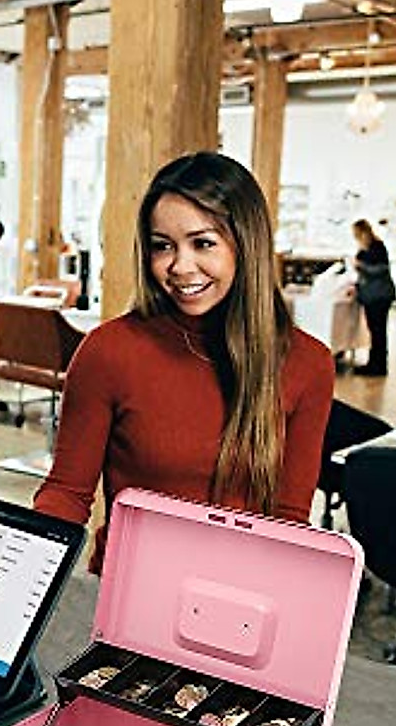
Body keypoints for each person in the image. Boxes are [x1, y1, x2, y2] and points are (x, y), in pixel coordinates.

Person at [34, 152, 335, 572]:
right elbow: (66, 493)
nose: (179, 266)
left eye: (203, 243)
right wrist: (24, 577)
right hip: (126, 596)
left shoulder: (307, 364)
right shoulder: (110, 351)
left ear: (246, 244)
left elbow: (289, 519)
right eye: (162, 246)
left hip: (240, 602)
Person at [352, 218, 396, 376]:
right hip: (373, 295)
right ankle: (375, 364)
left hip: (379, 296)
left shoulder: (377, 248)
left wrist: (361, 267)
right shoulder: (365, 250)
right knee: (375, 331)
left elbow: (380, 270)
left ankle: (378, 366)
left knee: (378, 332)